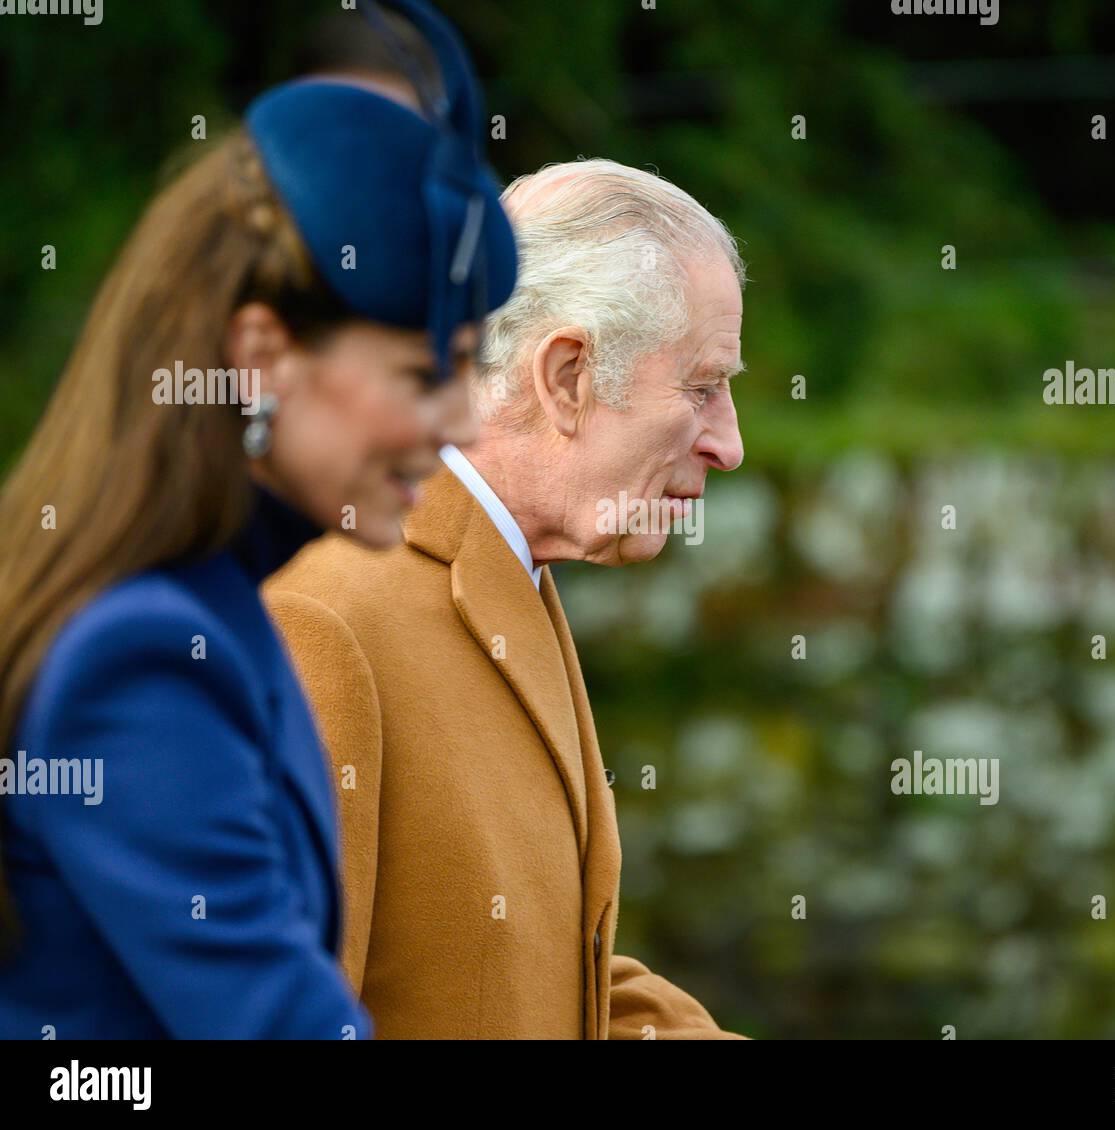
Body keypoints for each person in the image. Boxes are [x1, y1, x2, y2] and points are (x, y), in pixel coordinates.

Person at [0, 0, 516, 1038]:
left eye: (468, 370)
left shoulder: (205, 602)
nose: (460, 421)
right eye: (422, 374)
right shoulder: (144, 654)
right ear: (262, 353)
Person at [265, 158, 750, 1039]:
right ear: (566, 375)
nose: (729, 444)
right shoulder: (327, 616)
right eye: (703, 387)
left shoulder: (511, 566)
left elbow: (560, 979)